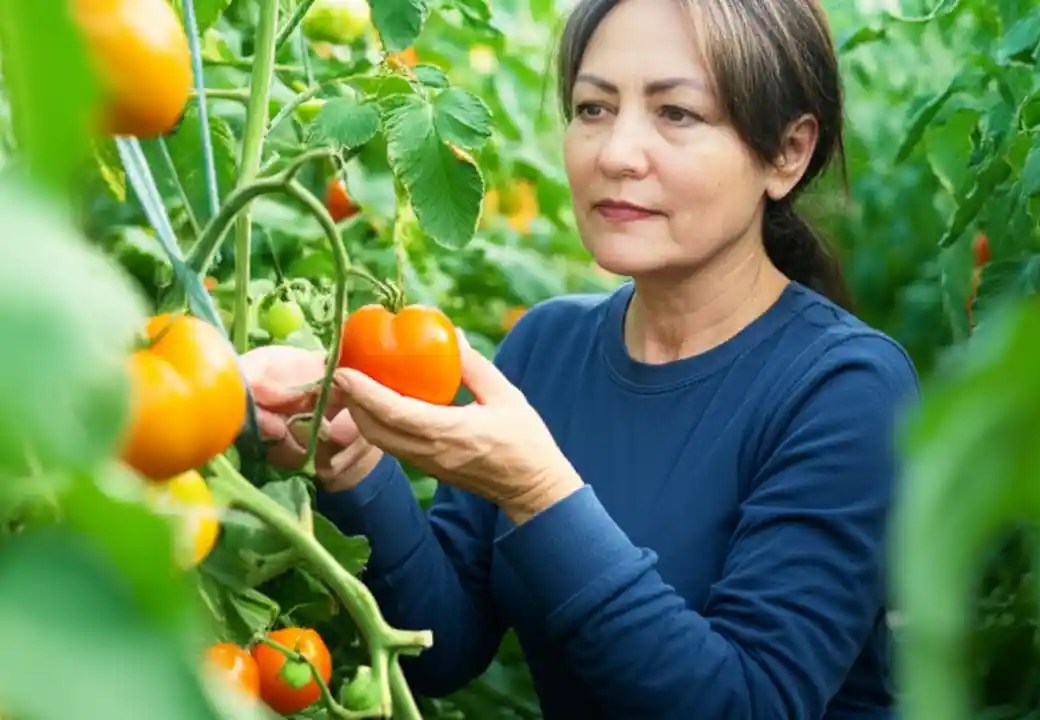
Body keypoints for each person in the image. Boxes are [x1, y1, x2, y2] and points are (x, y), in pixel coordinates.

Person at [242, 0, 920, 717]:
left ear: (788, 153)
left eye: (677, 114)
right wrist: (356, 467)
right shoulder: (548, 346)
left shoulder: (845, 389)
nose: (616, 153)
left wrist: (539, 492)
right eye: (594, 108)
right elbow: (444, 645)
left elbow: (747, 703)